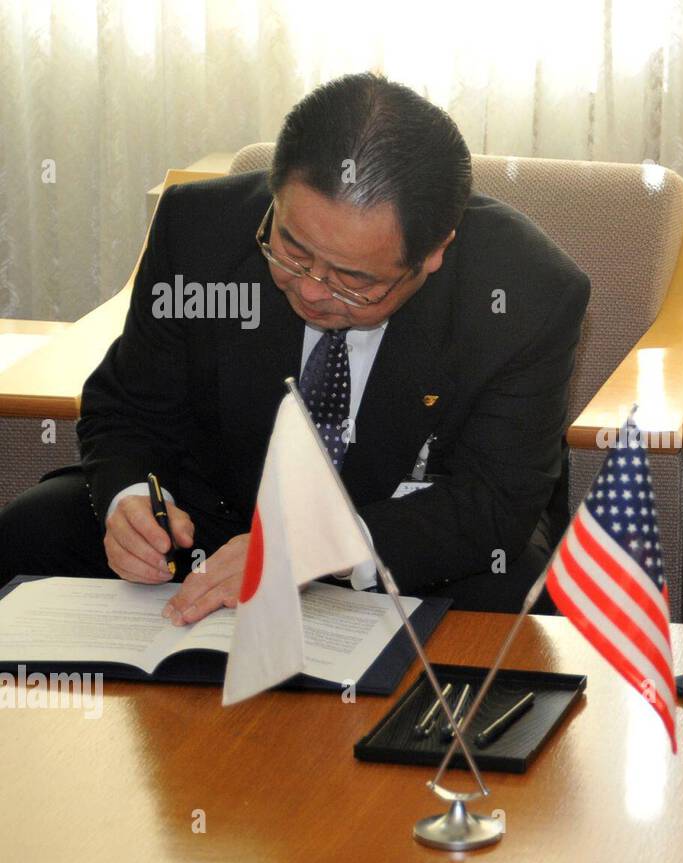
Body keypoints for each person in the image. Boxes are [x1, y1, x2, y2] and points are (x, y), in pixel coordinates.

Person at [0, 73, 590, 621]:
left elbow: (493, 502)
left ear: (433, 253)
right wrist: (131, 502)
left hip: (401, 543)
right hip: (217, 526)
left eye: (353, 280)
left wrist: (310, 546)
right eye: (291, 248)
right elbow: (128, 408)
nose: (310, 291)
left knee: (512, 588)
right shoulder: (199, 231)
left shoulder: (527, 293)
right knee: (34, 526)